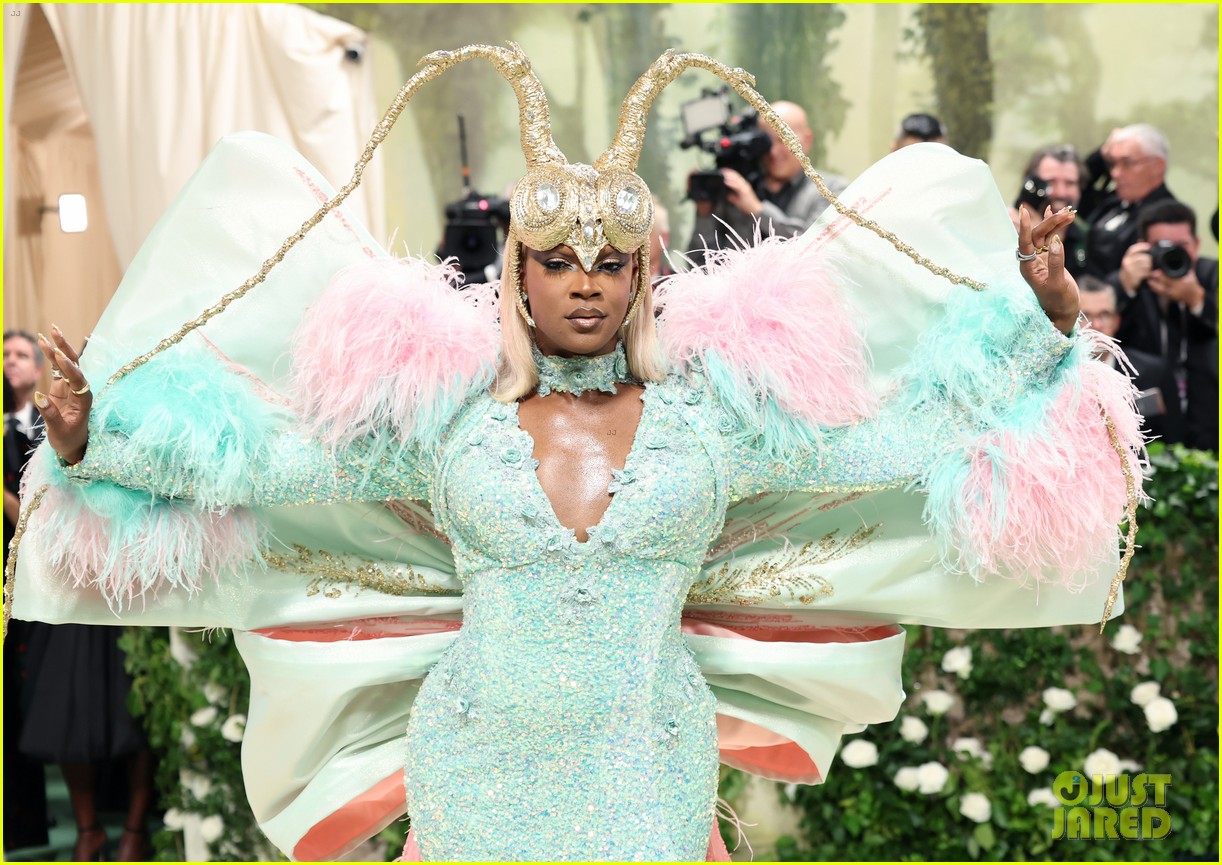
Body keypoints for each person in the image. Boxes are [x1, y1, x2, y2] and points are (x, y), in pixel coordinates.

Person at [10, 46, 1142, 862]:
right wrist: (90, 434)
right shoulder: (449, 421)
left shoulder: (716, 419)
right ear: (519, 273)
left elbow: (896, 441)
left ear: (644, 271)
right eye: (558, 256)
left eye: (608, 258)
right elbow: (266, 465)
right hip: (476, 761)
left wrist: (1037, 323)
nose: (587, 278)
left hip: (645, 758)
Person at [685, 100, 848, 261]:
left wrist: (758, 210)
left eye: (783, 139)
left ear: (807, 139)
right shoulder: (734, 192)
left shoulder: (831, 190)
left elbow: (815, 248)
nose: (773, 151)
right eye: (766, 141)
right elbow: (698, 265)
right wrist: (704, 214)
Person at [1115, 200, 1218, 451]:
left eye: (1181, 247)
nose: (1172, 255)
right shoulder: (1130, 282)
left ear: (1196, 244)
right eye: (1161, 248)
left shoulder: (1213, 277)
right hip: (1147, 428)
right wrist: (1125, 288)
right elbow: (1105, 335)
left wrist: (1197, 301)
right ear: (1142, 247)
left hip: (1209, 418)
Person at [1082, 124, 1177, 283]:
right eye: (1112, 163)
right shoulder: (1114, 202)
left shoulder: (1167, 216)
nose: (1115, 173)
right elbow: (1079, 188)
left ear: (1157, 166)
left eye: (1127, 163)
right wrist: (1101, 154)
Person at [1009, 144, 1090, 277]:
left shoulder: (1087, 238)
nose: (1061, 193)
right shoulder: (1007, 227)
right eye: (1051, 182)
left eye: (1070, 183)